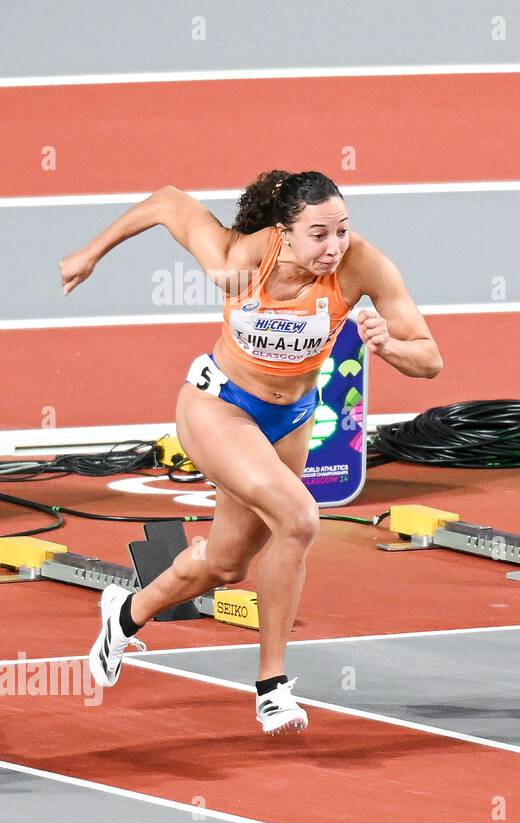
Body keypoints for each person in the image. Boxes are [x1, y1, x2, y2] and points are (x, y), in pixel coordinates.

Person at [60, 170, 443, 732]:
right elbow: (169, 202)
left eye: (342, 230)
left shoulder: (363, 266)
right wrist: (90, 254)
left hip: (291, 420)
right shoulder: (238, 263)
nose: (334, 246)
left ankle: (124, 613)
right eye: (319, 234)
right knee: (299, 518)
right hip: (220, 407)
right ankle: (272, 685)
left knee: (225, 564)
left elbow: (430, 359)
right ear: (283, 234)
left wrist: (387, 348)